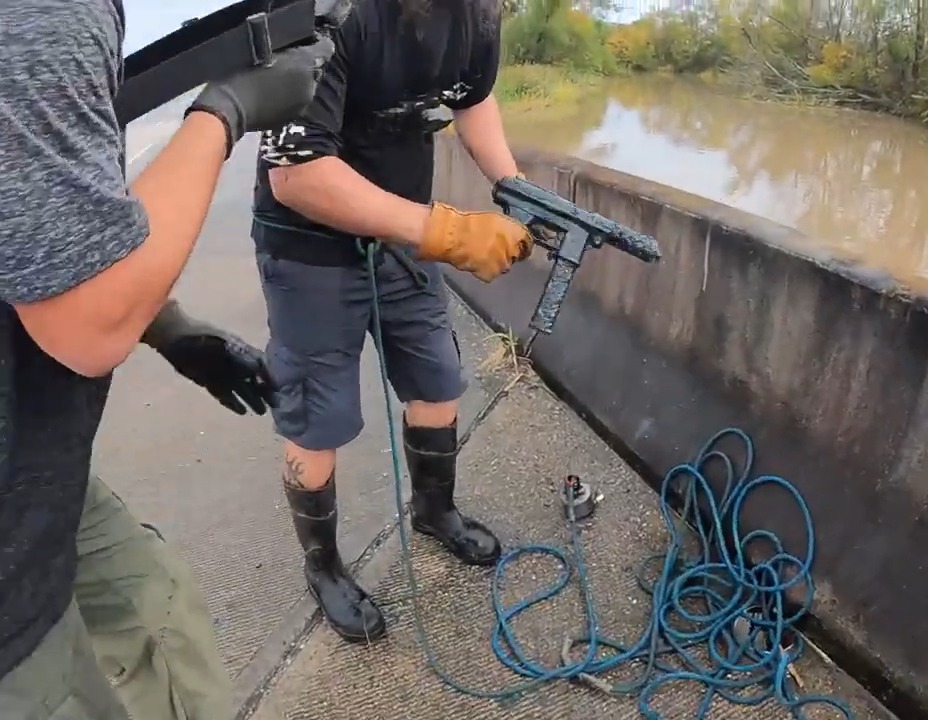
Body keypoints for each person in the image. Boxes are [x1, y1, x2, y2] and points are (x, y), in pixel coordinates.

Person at [0, 1, 334, 718]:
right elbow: (86, 319)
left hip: (38, 467)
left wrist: (167, 326)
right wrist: (227, 112)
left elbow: (43, 216)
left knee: (160, 613)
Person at [251, 0, 534, 642]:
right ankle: (322, 565)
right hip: (308, 247)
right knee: (316, 417)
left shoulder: (476, 14)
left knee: (437, 380)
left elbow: (472, 100)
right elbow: (297, 175)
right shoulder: (320, 15)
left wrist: (517, 190)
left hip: (404, 238)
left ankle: (434, 510)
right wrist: (446, 231)